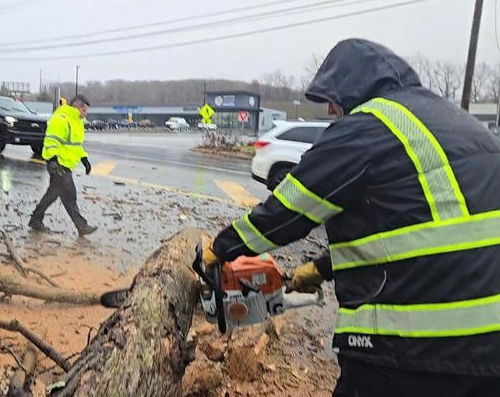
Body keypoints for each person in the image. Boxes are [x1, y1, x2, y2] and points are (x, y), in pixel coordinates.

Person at [204, 39, 500, 396]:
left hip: (413, 346)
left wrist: (220, 249)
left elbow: (288, 210)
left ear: (353, 85)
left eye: (332, 98)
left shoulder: (368, 126)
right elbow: (423, 229)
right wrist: (322, 268)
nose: (331, 109)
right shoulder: (457, 122)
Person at [30, 95, 97, 236]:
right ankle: (82, 226)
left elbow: (76, 145)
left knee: (53, 194)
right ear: (76, 107)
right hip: (57, 163)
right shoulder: (61, 119)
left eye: (86, 110)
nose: (85, 113)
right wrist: (53, 160)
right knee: (69, 195)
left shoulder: (77, 122)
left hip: (66, 164)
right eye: (84, 110)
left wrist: (84, 159)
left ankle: (35, 219)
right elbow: (51, 140)